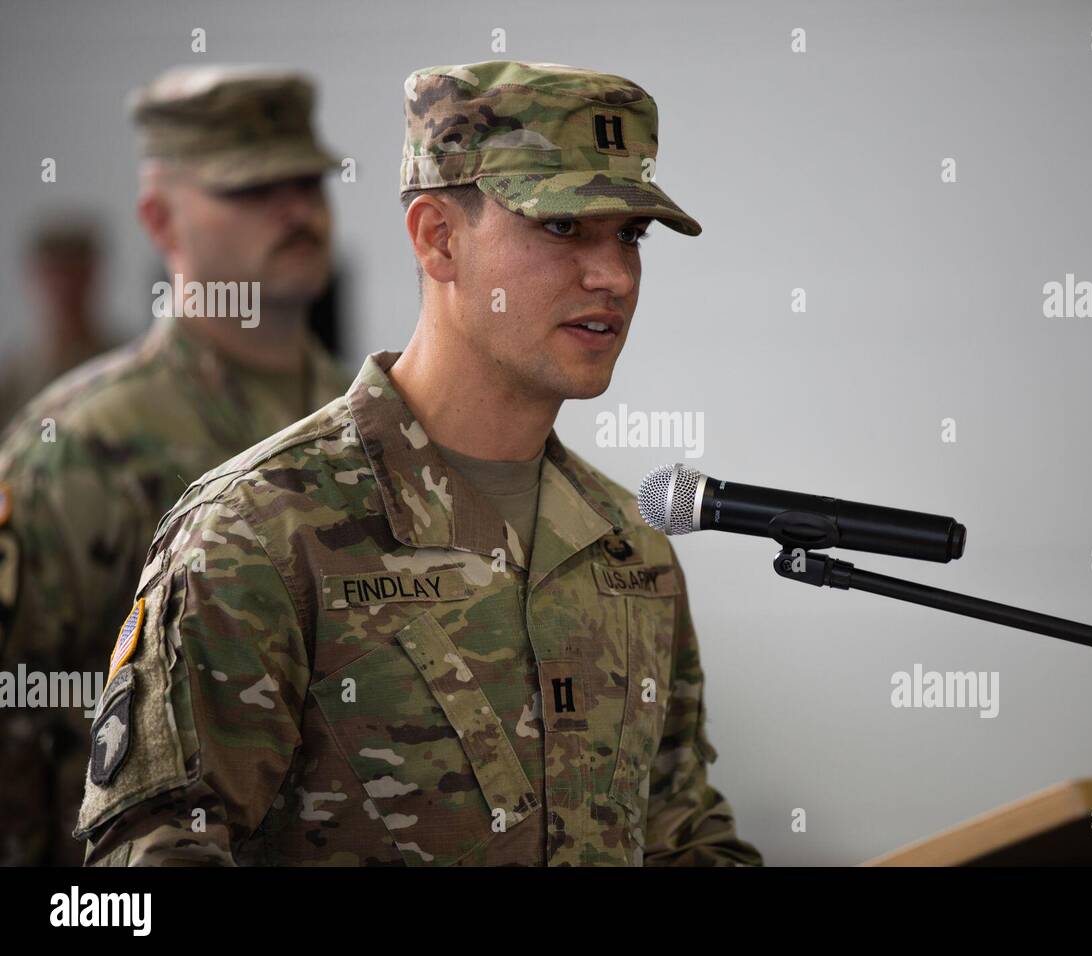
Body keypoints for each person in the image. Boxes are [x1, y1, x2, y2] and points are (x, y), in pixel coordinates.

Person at [76, 60, 761, 867]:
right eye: (563, 227)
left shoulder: (629, 549)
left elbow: (681, 836)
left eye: (631, 235)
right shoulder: (259, 533)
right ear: (439, 238)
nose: (611, 275)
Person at [0, 65, 350, 866]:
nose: (296, 210)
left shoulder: (368, 424)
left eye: (306, 181)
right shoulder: (81, 447)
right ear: (161, 219)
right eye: (251, 189)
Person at [0, 219, 118, 428]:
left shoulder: (122, 361)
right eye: (54, 273)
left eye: (74, 272)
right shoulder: (15, 376)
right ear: (34, 277)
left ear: (92, 274)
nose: (64, 287)